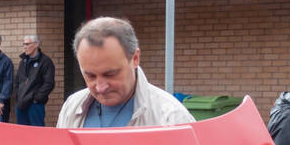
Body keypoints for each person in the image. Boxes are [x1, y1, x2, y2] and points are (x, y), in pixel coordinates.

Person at [57, 17, 193, 128]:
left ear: (135, 58)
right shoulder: (72, 107)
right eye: (90, 76)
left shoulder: (171, 117)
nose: (100, 87)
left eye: (110, 74)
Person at [13, 34, 56, 126]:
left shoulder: (45, 61)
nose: (25, 47)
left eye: (27, 44)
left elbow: (49, 83)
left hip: (35, 105)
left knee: (37, 133)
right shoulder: (23, 61)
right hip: (21, 103)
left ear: (36, 44)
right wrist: (17, 96)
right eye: (23, 44)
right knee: (22, 133)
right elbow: (17, 81)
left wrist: (36, 99)